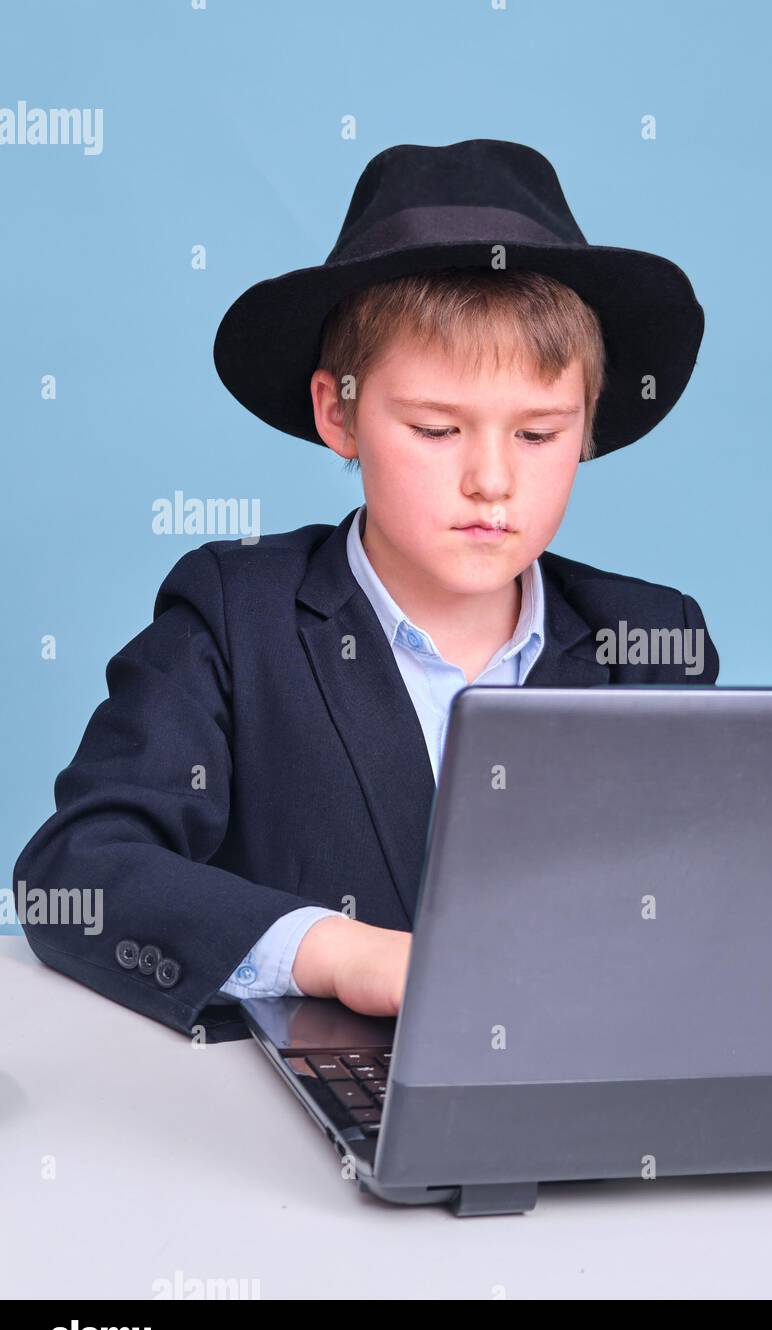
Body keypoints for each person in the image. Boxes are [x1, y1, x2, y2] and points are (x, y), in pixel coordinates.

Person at [14, 140, 720, 1042]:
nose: (492, 481)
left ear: (587, 430)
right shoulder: (234, 617)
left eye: (539, 434)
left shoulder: (653, 642)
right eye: (435, 429)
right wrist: (340, 952)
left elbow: (712, 906)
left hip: (581, 1095)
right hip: (278, 1128)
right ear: (337, 413)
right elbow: (77, 873)